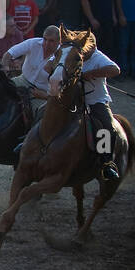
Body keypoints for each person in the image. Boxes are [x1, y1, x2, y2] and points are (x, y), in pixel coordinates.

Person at [50, 38, 122, 182]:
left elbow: (115, 70)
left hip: (95, 101)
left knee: (106, 127)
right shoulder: (71, 53)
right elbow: (48, 66)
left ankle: (106, 163)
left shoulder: (98, 57)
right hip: (72, 101)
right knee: (43, 114)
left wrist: (89, 74)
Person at [2, 24, 61, 118]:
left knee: (40, 118)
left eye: (51, 41)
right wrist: (5, 69)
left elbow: (60, 92)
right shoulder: (33, 43)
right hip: (22, 80)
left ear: (59, 42)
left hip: (42, 92)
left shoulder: (62, 57)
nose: (46, 43)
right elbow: (9, 54)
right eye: (45, 39)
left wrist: (45, 96)